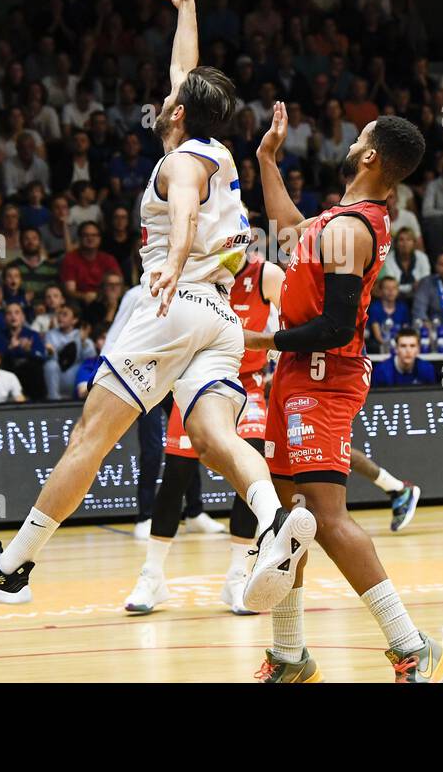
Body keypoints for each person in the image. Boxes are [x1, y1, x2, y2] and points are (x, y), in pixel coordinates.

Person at [0, 0, 314, 617]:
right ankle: (275, 519)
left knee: (89, 436)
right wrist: (186, 9)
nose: (163, 97)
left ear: (178, 113)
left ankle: (15, 566)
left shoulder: (180, 163)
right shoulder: (216, 149)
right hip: (221, 321)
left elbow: (187, 206)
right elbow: (185, 77)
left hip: (172, 308)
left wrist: (170, 261)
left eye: (171, 97)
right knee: (216, 437)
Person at [249, 101, 443, 683]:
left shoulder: (349, 229)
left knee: (323, 515)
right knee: (290, 520)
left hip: (321, 377)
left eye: (359, 135)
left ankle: (412, 644)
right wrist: (267, 160)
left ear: (368, 155)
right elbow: (290, 230)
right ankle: (290, 654)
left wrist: (261, 339)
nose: (350, 139)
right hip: (295, 377)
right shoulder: (340, 220)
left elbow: (337, 326)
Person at [122, 254, 285, 617]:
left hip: (249, 383)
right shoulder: (194, 270)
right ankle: (152, 575)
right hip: (197, 380)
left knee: (251, 465)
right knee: (177, 473)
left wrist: (276, 350)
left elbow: (295, 325)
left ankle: (237, 577)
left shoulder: (266, 275)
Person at [43, 303, 94, 401]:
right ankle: (53, 400)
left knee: (82, 367)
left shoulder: (81, 335)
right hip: (58, 376)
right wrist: (51, 352)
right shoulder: (51, 334)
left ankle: (80, 399)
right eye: (59, 314)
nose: (60, 317)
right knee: (51, 365)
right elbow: (52, 360)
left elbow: (90, 362)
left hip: (74, 377)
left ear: (74, 320)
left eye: (65, 314)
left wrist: (83, 343)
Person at [372, 329, 436, 387]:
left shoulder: (427, 369)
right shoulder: (382, 371)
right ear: (396, 349)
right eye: (403, 346)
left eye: (412, 346)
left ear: (418, 349)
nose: (408, 350)